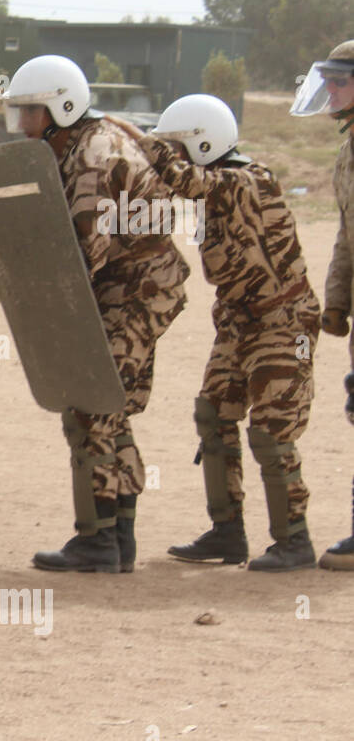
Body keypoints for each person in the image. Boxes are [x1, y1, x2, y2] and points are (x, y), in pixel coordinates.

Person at [2, 55, 190, 574]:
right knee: (112, 409)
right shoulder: (80, 142)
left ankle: (99, 538)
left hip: (136, 289)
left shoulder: (92, 157)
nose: (22, 125)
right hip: (133, 285)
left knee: (91, 403)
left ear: (60, 109)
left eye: (30, 113)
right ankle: (117, 538)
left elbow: (83, 251)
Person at [123, 95, 320, 570]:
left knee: (272, 432)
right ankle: (227, 531)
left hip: (284, 319)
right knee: (213, 414)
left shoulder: (248, 180)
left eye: (180, 144)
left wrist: (136, 137)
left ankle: (294, 540)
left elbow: (188, 179)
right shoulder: (216, 187)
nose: (176, 153)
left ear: (203, 143)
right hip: (239, 319)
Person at [294, 40, 354, 568]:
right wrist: (336, 303)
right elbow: (346, 234)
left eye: (340, 81)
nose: (331, 91)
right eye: (329, 81)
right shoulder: (347, 151)